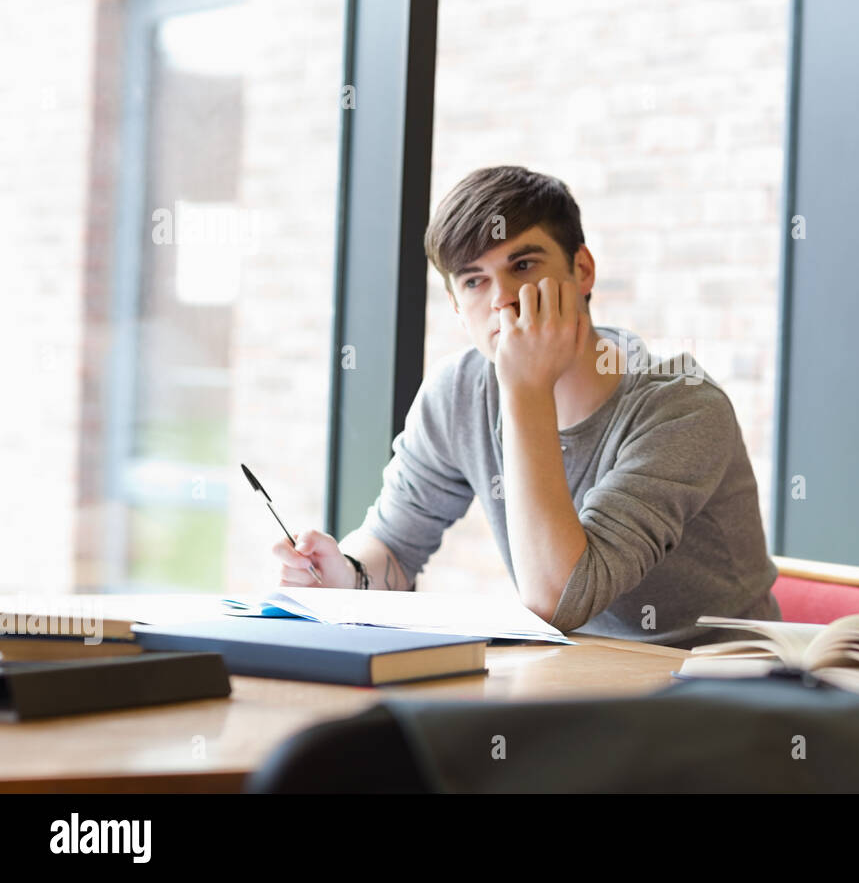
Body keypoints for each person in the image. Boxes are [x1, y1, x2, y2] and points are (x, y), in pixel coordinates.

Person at [272, 165, 780, 646]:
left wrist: (526, 388)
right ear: (455, 305)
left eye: (523, 265)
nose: (502, 299)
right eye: (474, 280)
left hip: (718, 689)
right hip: (577, 685)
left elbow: (556, 602)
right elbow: (393, 546)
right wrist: (346, 575)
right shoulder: (458, 393)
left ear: (582, 270)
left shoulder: (683, 405)